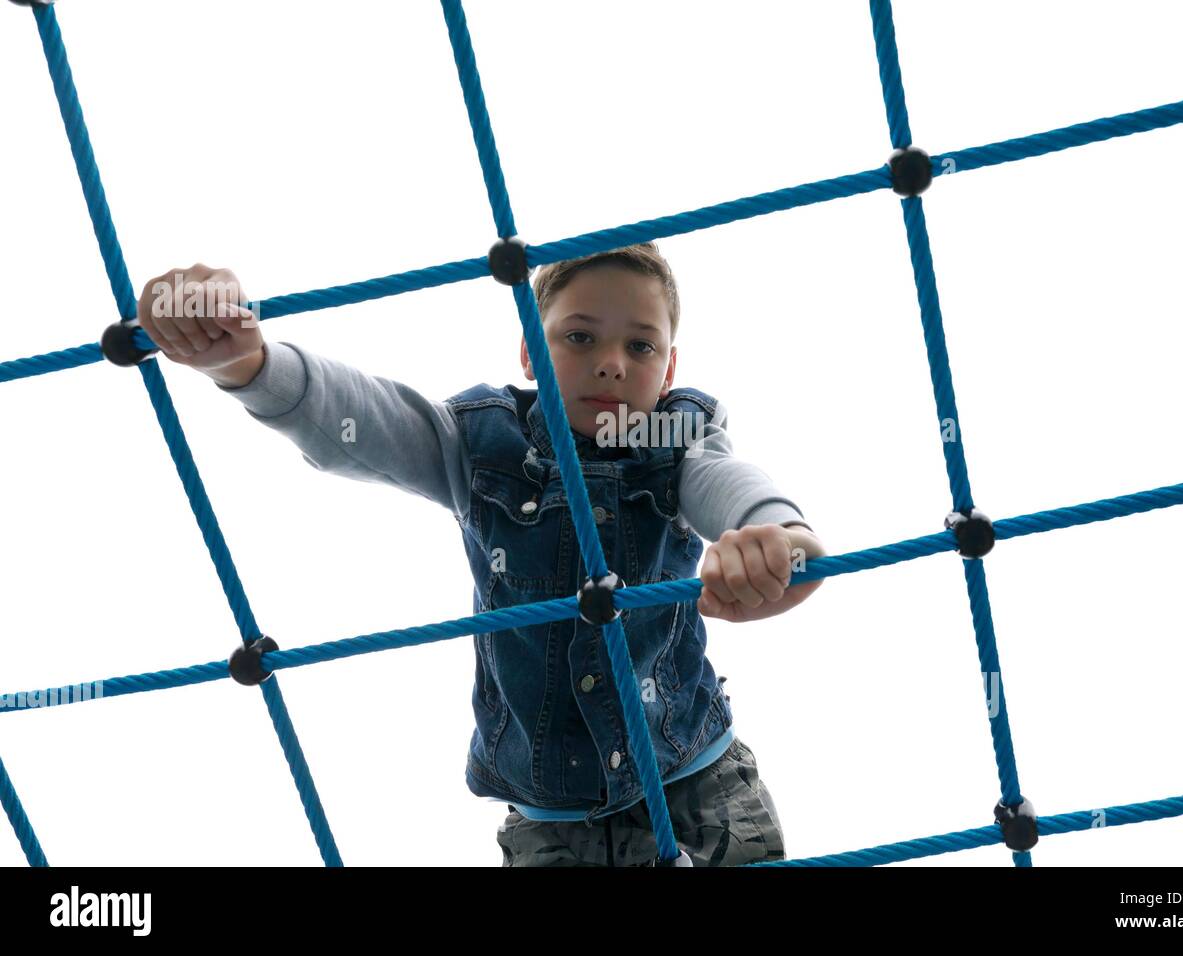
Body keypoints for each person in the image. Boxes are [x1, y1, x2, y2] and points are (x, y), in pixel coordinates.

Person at [136, 242, 827, 866]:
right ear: (530, 350)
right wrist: (250, 363)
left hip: (697, 789)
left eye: (641, 348)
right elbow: (371, 423)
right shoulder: (483, 446)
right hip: (552, 827)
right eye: (579, 337)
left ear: (670, 367)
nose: (611, 363)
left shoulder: (678, 437)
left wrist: (777, 536)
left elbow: (727, 483)